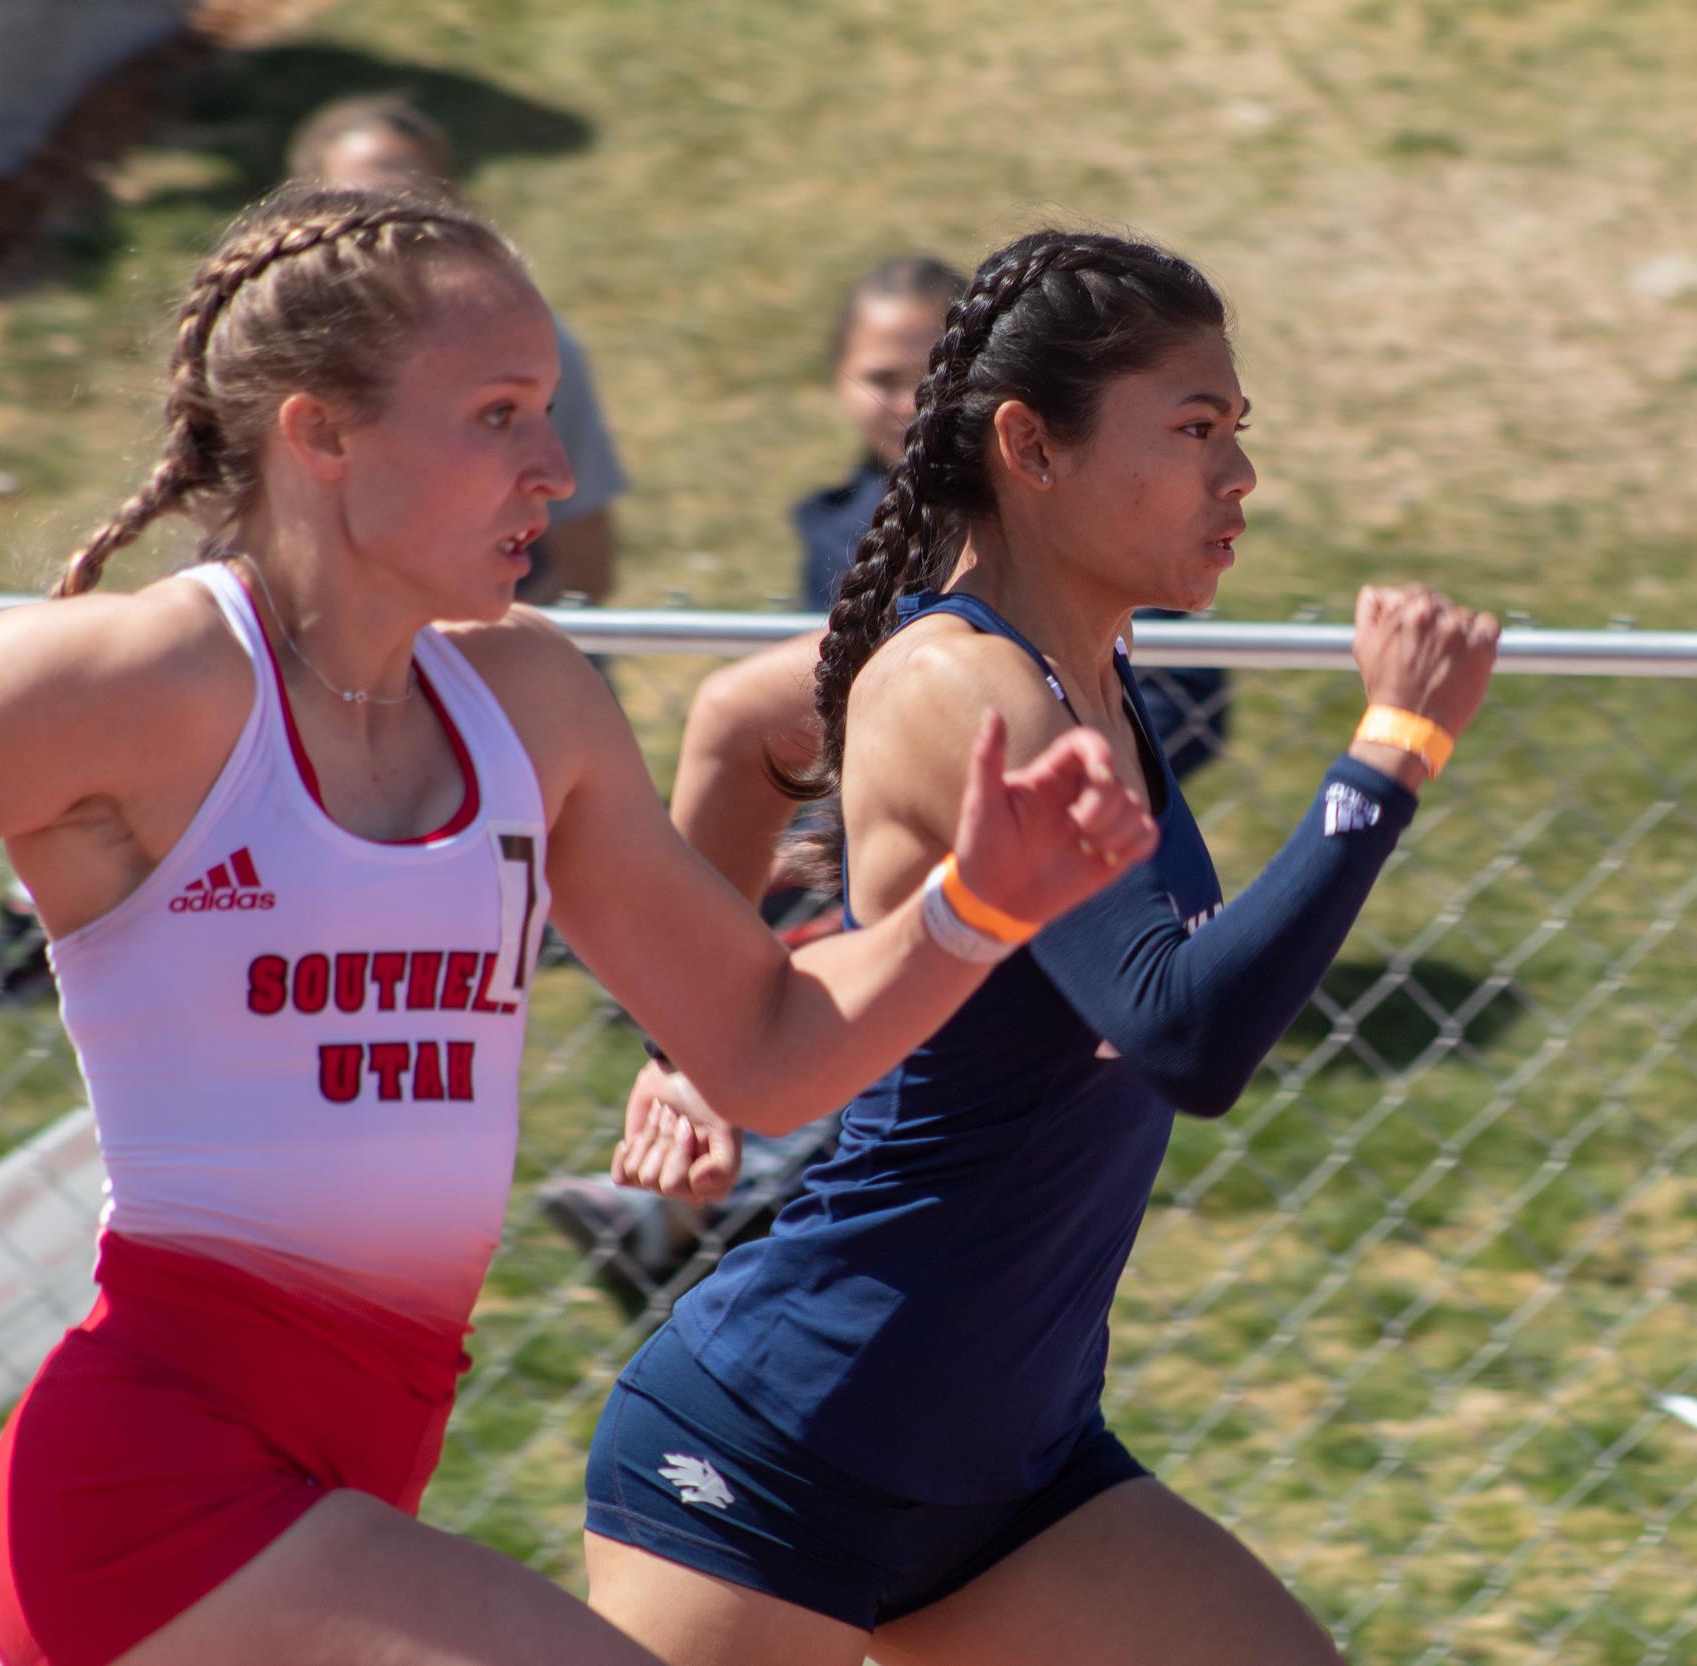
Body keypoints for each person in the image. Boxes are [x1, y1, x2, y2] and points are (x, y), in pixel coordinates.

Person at [0, 185, 1155, 1666]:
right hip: (156, 1488)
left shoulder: (527, 702)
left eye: (547, 409)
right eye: (496, 415)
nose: (553, 463)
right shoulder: (152, 680)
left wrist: (975, 908)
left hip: (353, 1479)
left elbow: (767, 1049)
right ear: (318, 432)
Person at [580, 228, 1498, 1666]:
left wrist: (706, 1038)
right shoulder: (960, 683)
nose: (1240, 475)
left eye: (1239, 432)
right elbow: (1180, 1029)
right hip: (780, 1456)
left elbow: (743, 726)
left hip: (1012, 1479)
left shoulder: (1082, 675)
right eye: (1196, 431)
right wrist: (1389, 753)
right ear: (1032, 446)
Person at [288, 95, 627, 607]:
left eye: (415, 202)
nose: (390, 227)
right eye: (359, 209)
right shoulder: (262, 364)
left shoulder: (533, 353)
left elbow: (588, 568)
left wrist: (459, 662)